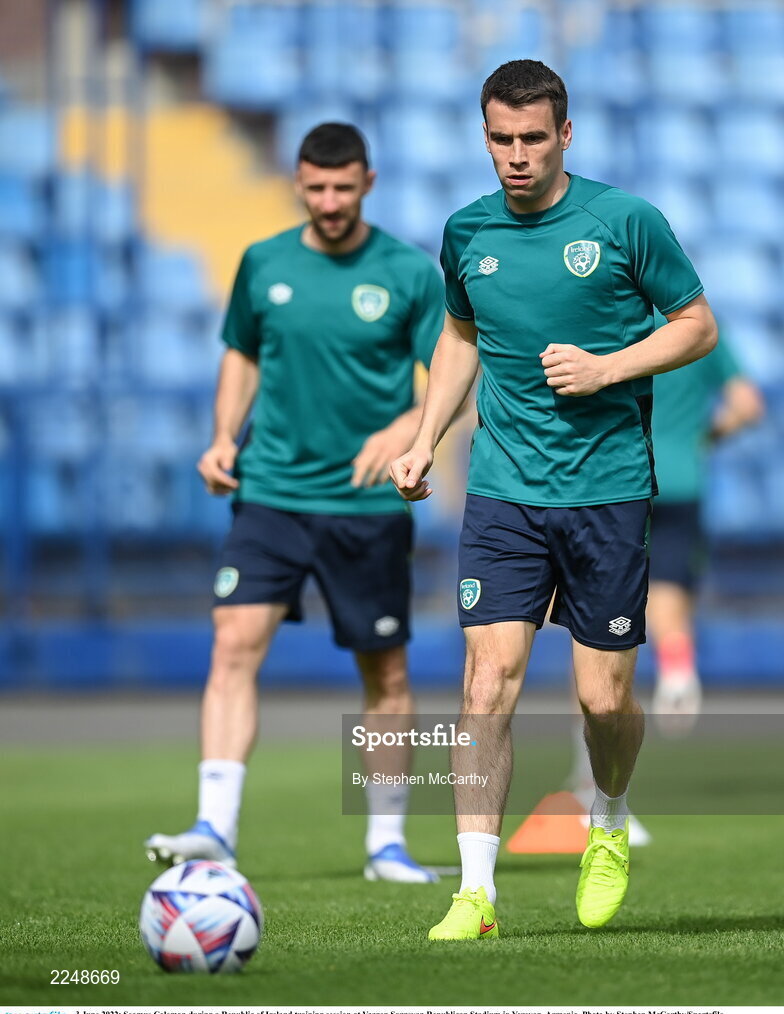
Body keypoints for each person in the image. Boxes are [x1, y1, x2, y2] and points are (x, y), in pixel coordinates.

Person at [390, 60, 718, 937]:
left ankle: (606, 824)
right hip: (503, 490)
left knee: (603, 701)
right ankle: (476, 893)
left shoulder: (624, 221)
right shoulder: (466, 232)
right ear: (484, 135)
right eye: (501, 138)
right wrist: (426, 437)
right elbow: (461, 334)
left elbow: (697, 324)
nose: (517, 156)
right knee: (485, 681)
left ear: (565, 136)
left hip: (608, 491)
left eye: (534, 138)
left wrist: (609, 366)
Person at [145, 123, 445, 883]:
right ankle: (215, 825)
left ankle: (385, 843)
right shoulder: (264, 263)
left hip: (366, 506)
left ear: (368, 184)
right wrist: (221, 436)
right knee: (232, 643)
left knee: (387, 676)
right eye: (316, 187)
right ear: (298, 184)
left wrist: (408, 429)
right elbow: (242, 352)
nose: (330, 201)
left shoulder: (410, 273)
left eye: (344, 188)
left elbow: (453, 377)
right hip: (270, 493)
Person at [647, 313, 764, 731]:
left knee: (623, 589)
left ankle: (663, 671)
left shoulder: (620, 319)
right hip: (684, 476)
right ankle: (677, 661)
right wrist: (708, 436)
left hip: (625, 476)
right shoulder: (702, 328)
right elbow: (748, 405)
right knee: (673, 581)